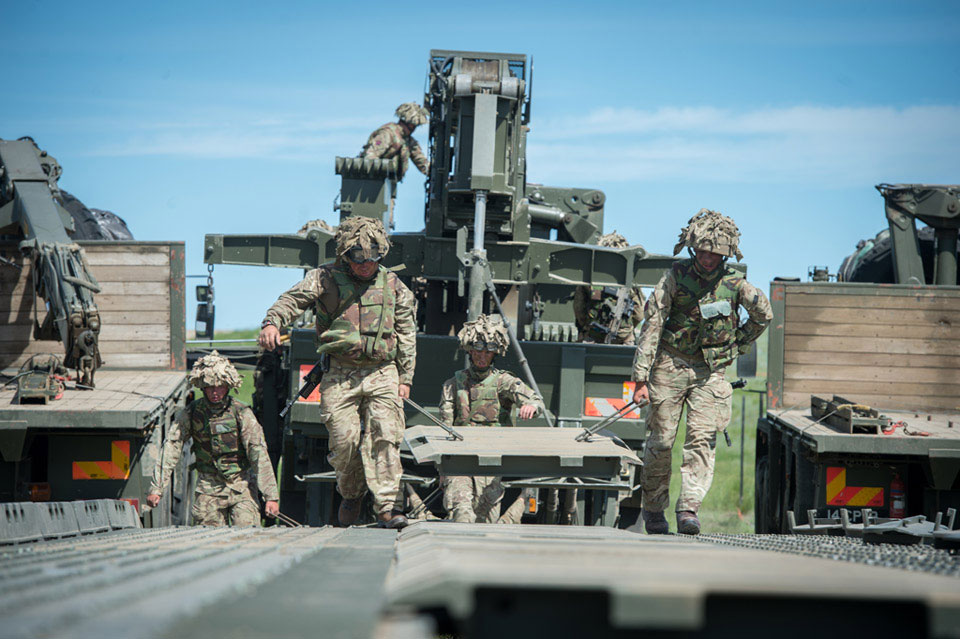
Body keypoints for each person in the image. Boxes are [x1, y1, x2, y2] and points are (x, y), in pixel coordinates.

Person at [258, 217, 416, 529]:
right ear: (345, 255)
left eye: (374, 260)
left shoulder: (394, 286)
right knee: (344, 443)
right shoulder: (325, 278)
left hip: (382, 372)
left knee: (386, 434)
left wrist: (406, 378)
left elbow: (408, 333)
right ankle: (352, 493)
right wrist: (273, 321)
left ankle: (386, 507)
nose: (366, 266)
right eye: (359, 259)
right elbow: (293, 300)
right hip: (340, 373)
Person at [630, 209, 772, 535]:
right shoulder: (675, 277)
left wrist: (738, 344)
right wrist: (640, 378)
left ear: (726, 254)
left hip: (711, 374)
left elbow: (763, 313)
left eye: (716, 253)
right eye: (704, 252)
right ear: (694, 249)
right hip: (670, 365)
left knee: (701, 441)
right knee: (661, 443)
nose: (709, 259)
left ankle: (689, 508)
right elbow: (652, 325)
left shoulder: (735, 284)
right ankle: (654, 511)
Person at [146, 352, 279, 526]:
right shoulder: (192, 413)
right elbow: (172, 446)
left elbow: (258, 453)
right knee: (208, 540)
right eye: (210, 387)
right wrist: (157, 488)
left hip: (241, 487)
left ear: (228, 385)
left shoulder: (242, 413)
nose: (215, 392)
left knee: (248, 535)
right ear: (202, 387)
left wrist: (271, 497)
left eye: (219, 386)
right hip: (208, 489)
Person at [439, 314, 544, 524]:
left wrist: (531, 405)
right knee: (462, 511)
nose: (482, 356)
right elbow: (444, 429)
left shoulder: (503, 382)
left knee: (487, 520)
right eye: (478, 351)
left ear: (495, 354)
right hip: (461, 460)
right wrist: (443, 468)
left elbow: (534, 399)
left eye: (488, 352)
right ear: (469, 350)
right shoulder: (453, 385)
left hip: (492, 461)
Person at [573, 231, 645, 344]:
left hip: (593, 339)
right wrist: (624, 330)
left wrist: (587, 325)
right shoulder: (631, 278)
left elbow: (579, 309)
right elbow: (639, 314)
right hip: (624, 341)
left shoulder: (589, 277)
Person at [361, 102, 430, 180]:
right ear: (405, 121)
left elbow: (422, 163)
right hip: (373, 180)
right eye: (413, 124)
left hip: (389, 182)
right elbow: (370, 156)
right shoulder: (388, 133)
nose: (414, 128)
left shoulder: (408, 141)